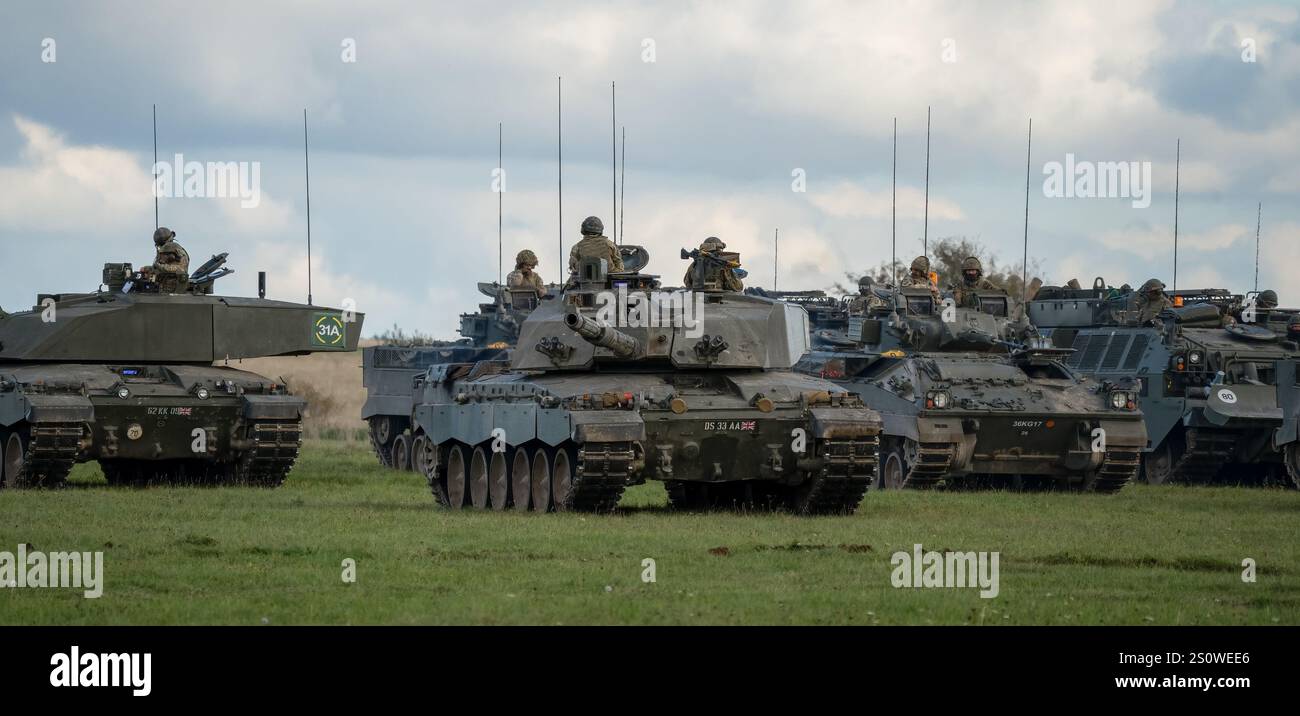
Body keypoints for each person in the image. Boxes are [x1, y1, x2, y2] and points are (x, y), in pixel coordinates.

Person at [141, 227, 190, 293]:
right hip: (166, 284)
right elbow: (159, 268)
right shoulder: (176, 249)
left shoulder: (170, 247)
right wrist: (147, 269)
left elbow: (180, 269)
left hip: (171, 287)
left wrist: (159, 266)